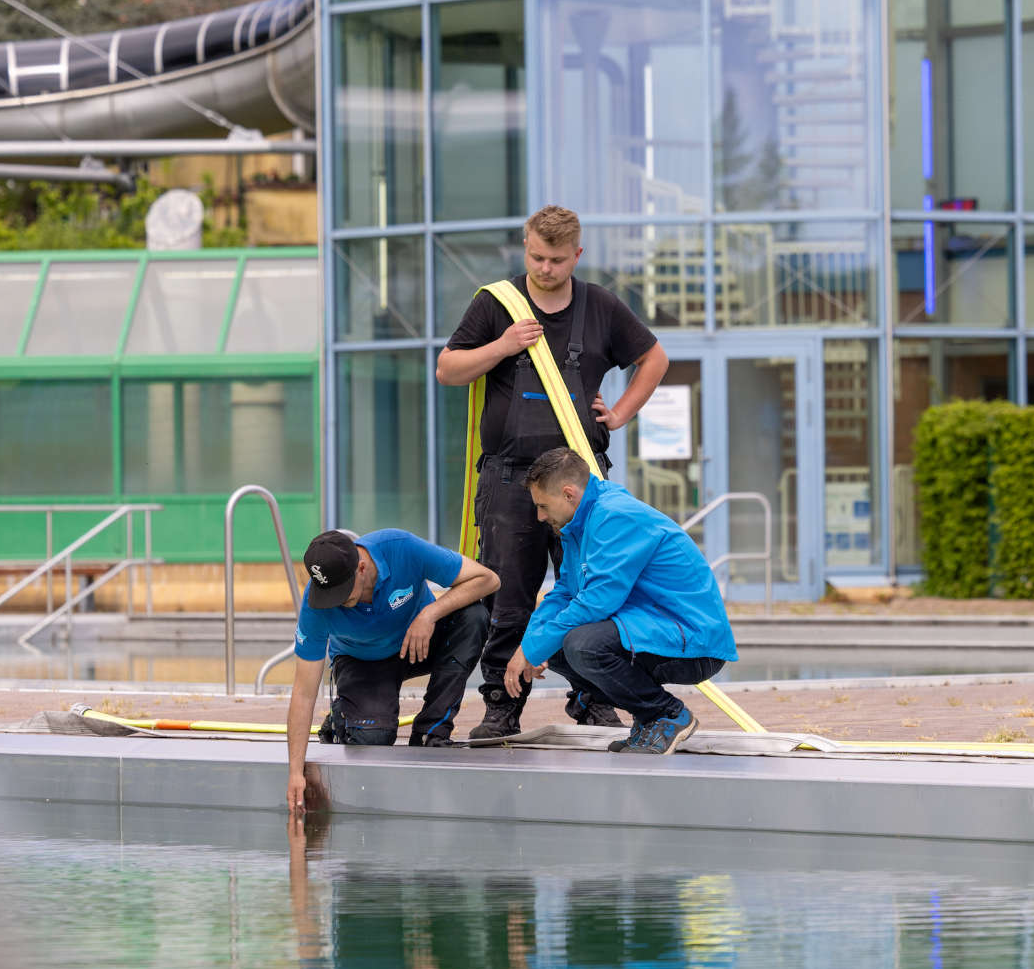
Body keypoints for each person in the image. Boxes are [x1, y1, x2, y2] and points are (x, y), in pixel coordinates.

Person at [437, 205, 670, 740]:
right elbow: (448, 369)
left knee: (593, 589)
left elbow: (653, 359)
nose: (545, 268)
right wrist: (503, 346)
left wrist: (622, 412)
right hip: (509, 478)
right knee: (506, 595)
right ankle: (501, 705)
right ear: (525, 248)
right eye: (537, 257)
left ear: (577, 256)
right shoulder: (496, 304)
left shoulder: (599, 307)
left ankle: (593, 695)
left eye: (557, 260)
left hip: (580, 483)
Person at [501, 447, 737, 755]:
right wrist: (530, 644)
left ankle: (665, 714)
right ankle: (647, 718)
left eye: (543, 506)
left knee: (583, 645)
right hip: (650, 627)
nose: (540, 516)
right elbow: (564, 592)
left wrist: (533, 649)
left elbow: (597, 603)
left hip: (692, 639)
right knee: (557, 647)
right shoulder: (580, 523)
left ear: (569, 493)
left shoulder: (615, 516)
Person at [285, 528, 498, 813]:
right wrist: (295, 773)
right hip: (361, 660)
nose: (334, 603)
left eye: (341, 595)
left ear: (361, 568)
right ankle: (341, 717)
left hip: (416, 640)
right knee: (373, 743)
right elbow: (303, 693)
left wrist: (429, 614)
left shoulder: (401, 548)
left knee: (473, 617)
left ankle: (431, 732)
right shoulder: (316, 603)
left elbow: (488, 579)